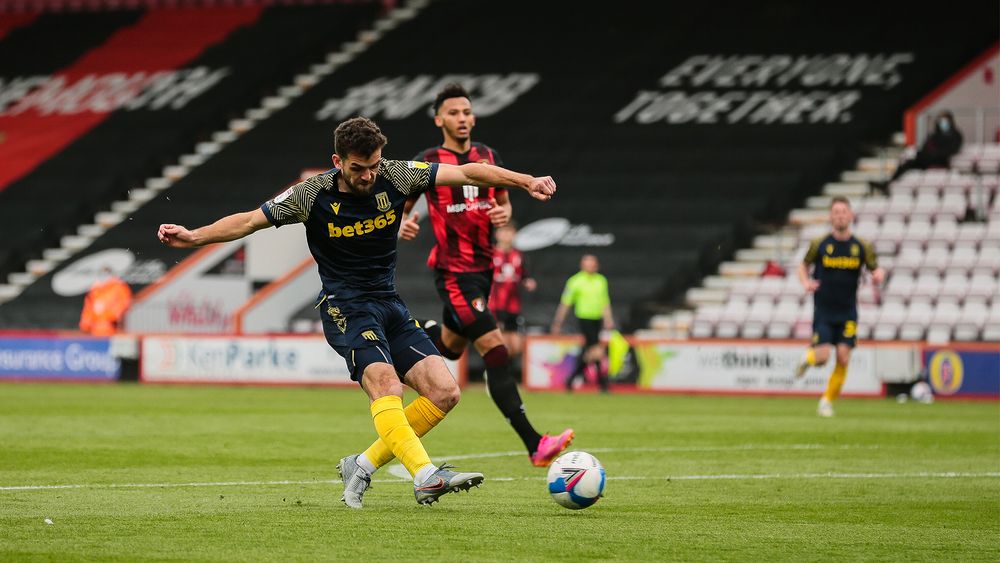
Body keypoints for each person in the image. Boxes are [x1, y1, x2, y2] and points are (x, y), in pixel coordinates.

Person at [156, 116, 557, 508]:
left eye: (374, 166)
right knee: (388, 386)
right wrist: (194, 237)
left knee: (445, 392)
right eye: (358, 168)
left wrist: (526, 181)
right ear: (338, 163)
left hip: (389, 304)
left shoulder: (398, 175)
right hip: (345, 307)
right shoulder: (310, 195)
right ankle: (425, 476)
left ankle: (360, 465)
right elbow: (248, 221)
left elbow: (470, 172)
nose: (368, 176)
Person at [398, 83, 574, 469]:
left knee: (451, 347)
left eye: (467, 112)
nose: (463, 118)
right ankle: (535, 443)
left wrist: (503, 214)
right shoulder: (428, 160)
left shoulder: (489, 156)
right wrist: (403, 225)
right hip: (453, 273)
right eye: (455, 113)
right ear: (439, 119)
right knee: (496, 349)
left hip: (483, 270)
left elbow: (503, 203)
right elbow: (401, 204)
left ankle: (400, 334)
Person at [793, 196, 885, 417]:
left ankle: (826, 401)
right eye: (836, 212)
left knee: (843, 357)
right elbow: (802, 266)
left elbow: (876, 269)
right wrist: (806, 283)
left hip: (848, 312)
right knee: (823, 357)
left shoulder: (861, 246)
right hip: (823, 311)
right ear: (831, 216)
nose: (840, 215)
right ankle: (808, 358)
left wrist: (879, 275)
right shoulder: (820, 244)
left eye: (844, 211)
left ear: (850, 215)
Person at [551, 254, 614, 393]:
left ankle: (572, 379)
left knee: (589, 352)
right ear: (582, 265)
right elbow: (565, 303)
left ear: (597, 265)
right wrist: (558, 321)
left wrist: (608, 318)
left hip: (597, 319)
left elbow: (605, 302)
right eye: (587, 263)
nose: (589, 266)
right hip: (584, 319)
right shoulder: (575, 281)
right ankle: (602, 383)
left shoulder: (601, 280)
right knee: (596, 350)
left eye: (592, 263)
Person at [873, 110, 963, 192]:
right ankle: (888, 184)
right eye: (941, 120)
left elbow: (952, 150)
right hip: (926, 160)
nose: (943, 123)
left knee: (922, 157)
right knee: (907, 163)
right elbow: (925, 147)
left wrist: (935, 153)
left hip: (941, 161)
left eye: (945, 120)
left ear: (950, 121)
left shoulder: (955, 135)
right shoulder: (934, 135)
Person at [490, 223, 537, 360]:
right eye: (503, 232)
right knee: (499, 343)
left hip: (513, 307)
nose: (506, 235)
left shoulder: (519, 255)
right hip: (494, 306)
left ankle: (498, 369)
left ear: (514, 234)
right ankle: (493, 373)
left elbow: (524, 276)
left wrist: (528, 282)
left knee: (516, 347)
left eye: (509, 232)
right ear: (497, 234)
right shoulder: (489, 254)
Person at [78, 266, 133, 336]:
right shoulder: (95, 289)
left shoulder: (118, 287)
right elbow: (88, 307)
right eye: (102, 274)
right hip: (95, 328)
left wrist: (110, 316)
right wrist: (85, 323)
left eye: (106, 274)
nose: (104, 277)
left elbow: (124, 303)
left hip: (112, 328)